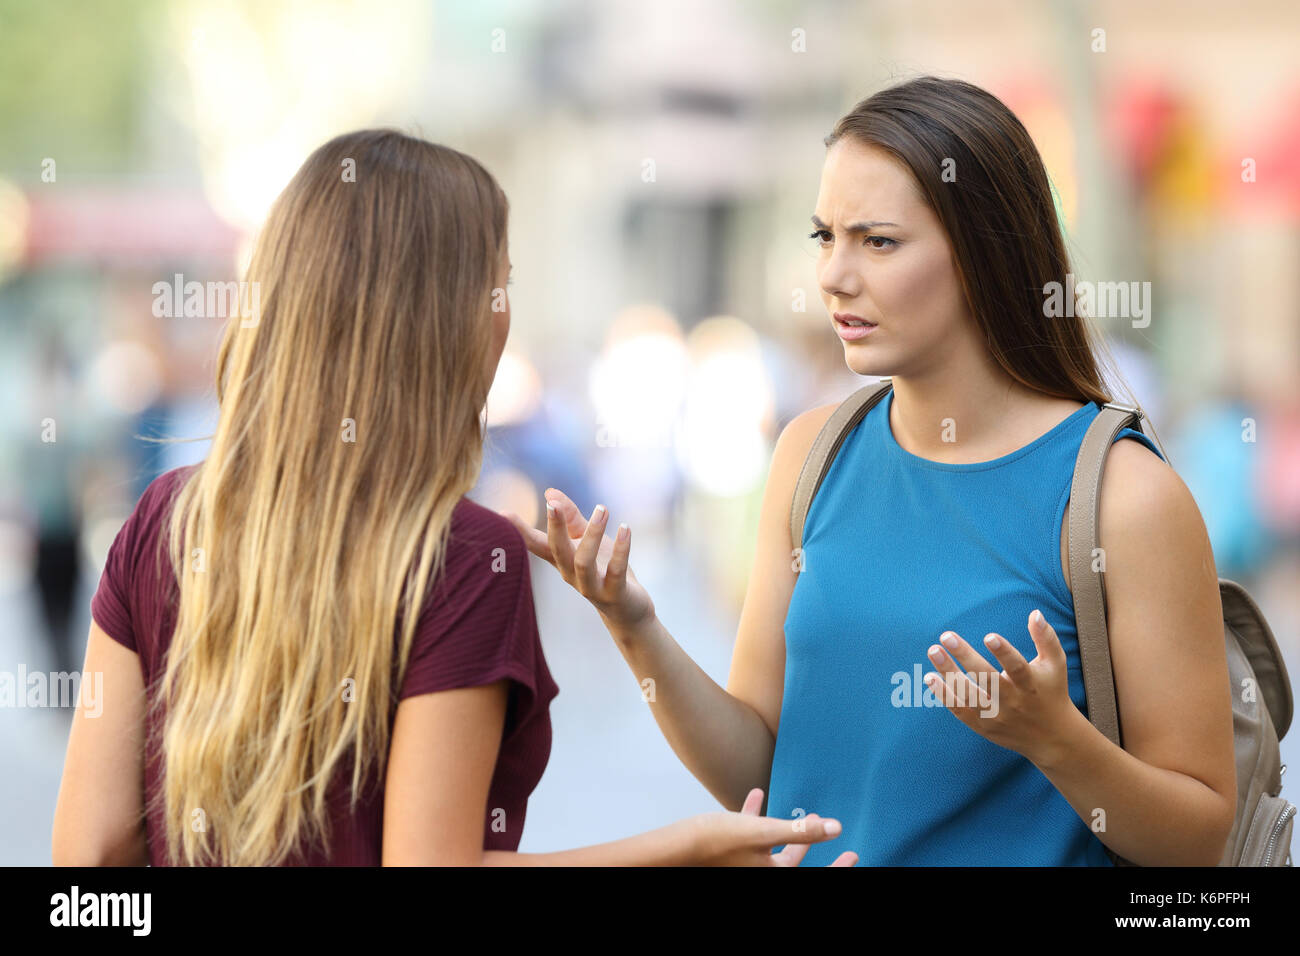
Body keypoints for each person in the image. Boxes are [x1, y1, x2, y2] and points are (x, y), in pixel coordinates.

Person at [51, 129, 855, 867]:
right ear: (441, 319)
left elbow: (89, 861)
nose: (506, 318)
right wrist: (680, 851)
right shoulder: (466, 558)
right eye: (497, 287)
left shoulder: (165, 520)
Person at [510, 76, 1238, 866]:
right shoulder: (811, 455)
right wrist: (633, 622)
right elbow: (757, 773)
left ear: (984, 253)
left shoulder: (1123, 498)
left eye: (877, 241)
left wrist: (1056, 741)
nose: (834, 275)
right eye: (825, 236)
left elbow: (1197, 839)